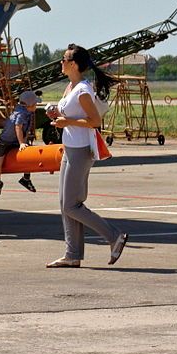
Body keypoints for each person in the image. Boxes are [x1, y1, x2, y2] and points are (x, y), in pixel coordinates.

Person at [45, 44, 129, 267]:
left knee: (71, 205)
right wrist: (57, 113)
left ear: (73, 64)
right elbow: (70, 114)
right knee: (66, 203)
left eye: (64, 59)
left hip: (81, 150)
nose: (60, 62)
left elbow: (95, 122)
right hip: (70, 148)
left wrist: (67, 122)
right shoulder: (71, 86)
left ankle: (114, 236)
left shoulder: (82, 90)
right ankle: (72, 255)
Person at [0, 90, 38, 198]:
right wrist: (21, 143)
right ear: (29, 105)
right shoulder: (21, 113)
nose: (36, 105)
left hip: (16, 140)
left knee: (28, 157)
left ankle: (26, 178)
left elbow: (25, 130)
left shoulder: (28, 112)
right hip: (6, 140)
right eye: (35, 104)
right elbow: (18, 127)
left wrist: (25, 141)